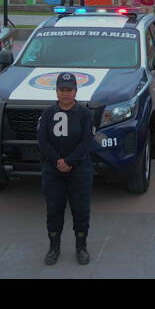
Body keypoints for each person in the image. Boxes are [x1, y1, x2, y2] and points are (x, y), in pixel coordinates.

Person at [37, 72, 95, 265]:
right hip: (53, 170)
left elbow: (86, 141)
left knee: (80, 210)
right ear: (56, 91)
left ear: (75, 91)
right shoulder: (48, 114)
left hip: (79, 170)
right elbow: (43, 141)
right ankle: (54, 247)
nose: (65, 94)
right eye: (62, 90)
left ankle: (81, 247)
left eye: (69, 90)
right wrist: (58, 161)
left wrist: (70, 161)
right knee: (54, 209)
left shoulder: (85, 114)